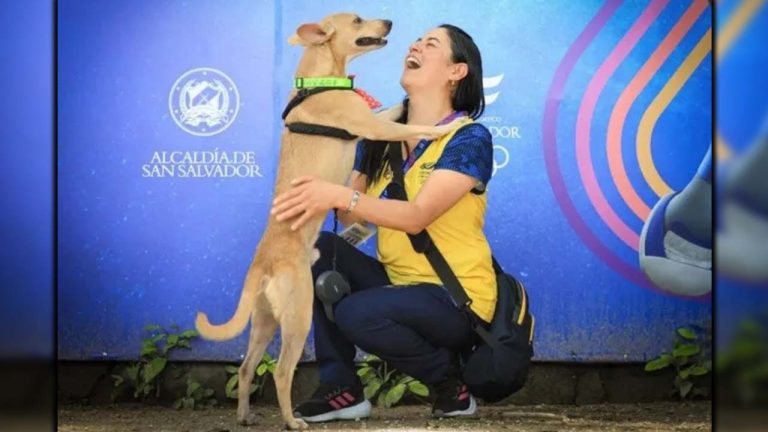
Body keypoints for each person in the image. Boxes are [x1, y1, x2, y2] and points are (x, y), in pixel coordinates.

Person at [271, 24, 496, 422]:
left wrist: (341, 196)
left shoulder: (468, 137)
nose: (415, 45)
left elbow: (417, 217)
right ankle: (341, 388)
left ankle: (450, 384)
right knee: (319, 250)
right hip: (396, 283)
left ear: (456, 71)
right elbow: (348, 215)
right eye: (416, 41)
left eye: (430, 44)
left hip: (455, 299)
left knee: (356, 312)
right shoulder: (380, 135)